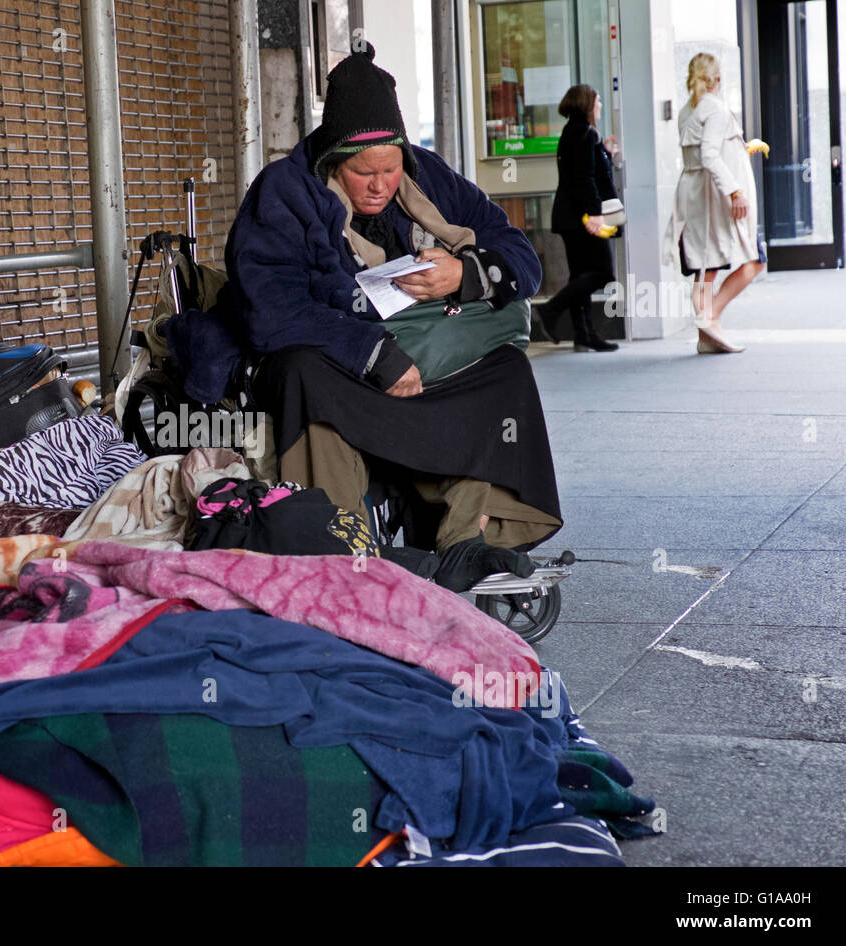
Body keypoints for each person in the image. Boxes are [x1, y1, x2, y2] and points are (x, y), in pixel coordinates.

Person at [223, 47, 562, 592]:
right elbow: (270, 308)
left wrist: (467, 275)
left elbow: (520, 256)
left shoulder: (430, 178)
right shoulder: (284, 193)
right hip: (346, 365)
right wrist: (371, 352)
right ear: (334, 161)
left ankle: (467, 539)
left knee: (505, 371)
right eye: (363, 173)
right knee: (301, 370)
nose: (380, 185)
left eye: (390, 168)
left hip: (424, 361)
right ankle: (346, 543)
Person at [666, 52, 766, 353]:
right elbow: (709, 154)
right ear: (718, 80)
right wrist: (735, 192)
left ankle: (707, 336)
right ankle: (709, 319)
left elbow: (703, 154)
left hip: (697, 198)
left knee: (705, 267)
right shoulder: (716, 110)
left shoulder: (689, 110)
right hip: (714, 200)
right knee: (754, 261)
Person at [534, 84, 620, 352]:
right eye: (598, 101)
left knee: (581, 274)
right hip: (582, 217)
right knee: (602, 272)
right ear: (587, 104)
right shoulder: (584, 133)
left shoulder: (574, 132)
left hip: (571, 216)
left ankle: (584, 333)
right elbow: (584, 180)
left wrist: (604, 151)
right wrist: (595, 214)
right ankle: (550, 310)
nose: (600, 105)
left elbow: (583, 169)